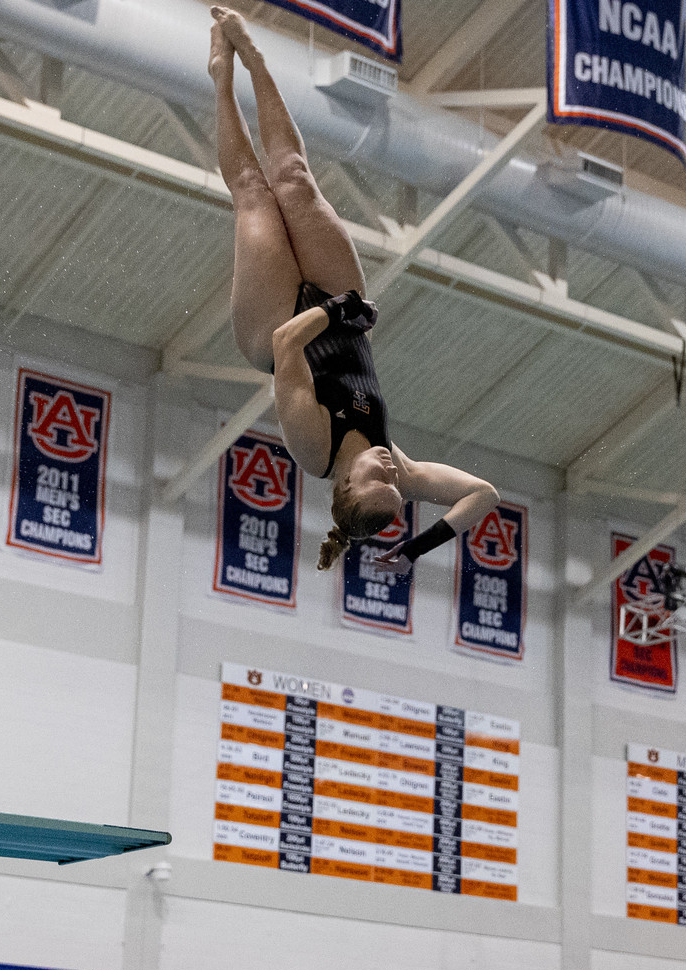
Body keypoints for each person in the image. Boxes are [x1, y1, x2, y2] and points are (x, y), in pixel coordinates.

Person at [208, 6, 498, 572]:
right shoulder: (398, 466)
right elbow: (482, 494)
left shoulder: (313, 447)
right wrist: (417, 548)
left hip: (276, 327)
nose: (390, 472)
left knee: (253, 191)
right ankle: (254, 57)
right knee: (294, 177)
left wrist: (341, 310)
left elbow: (289, 344)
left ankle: (222, 75)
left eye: (376, 481)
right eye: (397, 487)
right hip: (341, 311)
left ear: (344, 485)